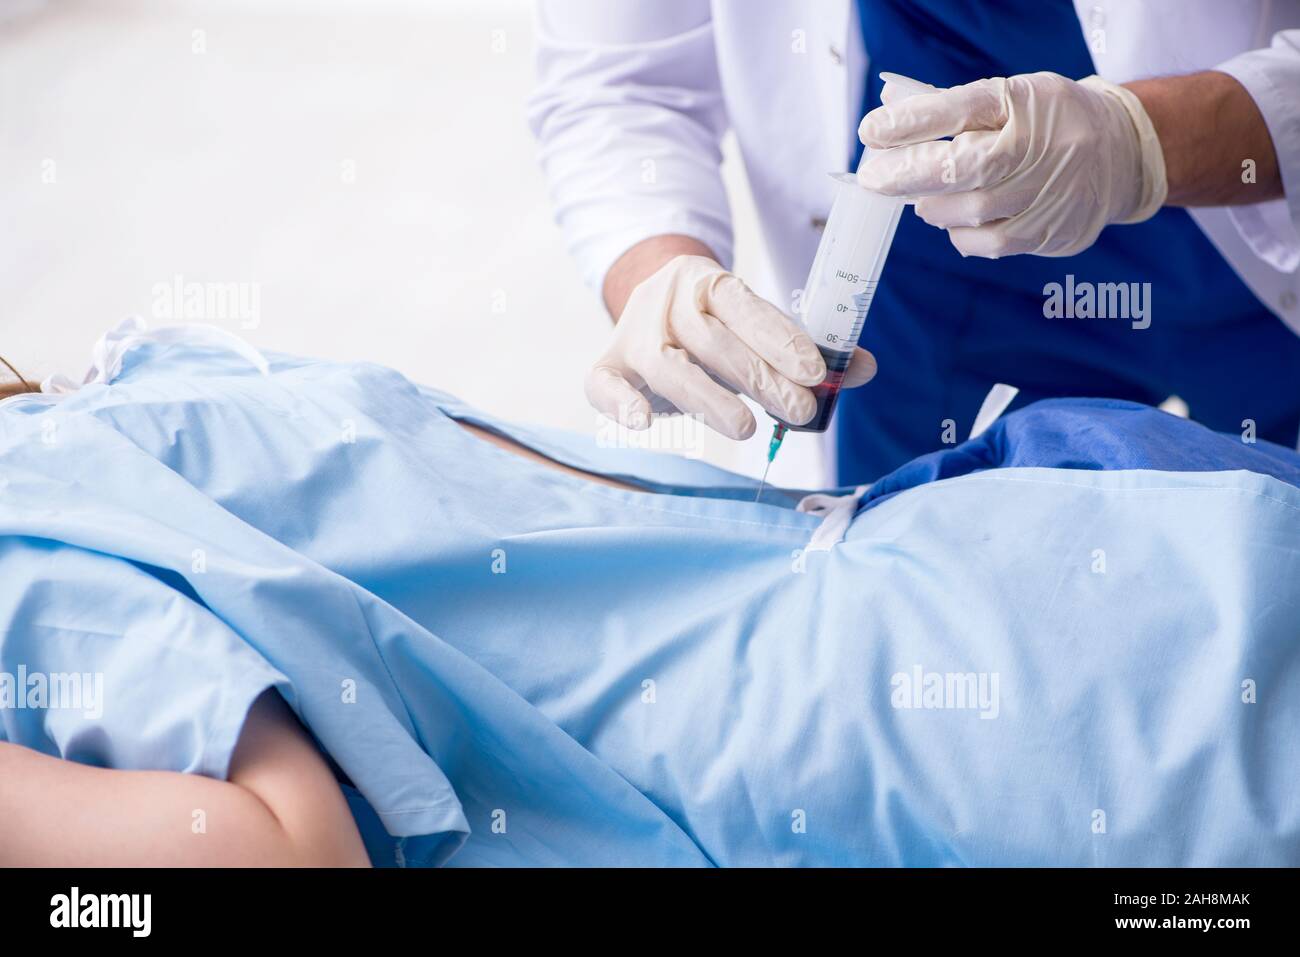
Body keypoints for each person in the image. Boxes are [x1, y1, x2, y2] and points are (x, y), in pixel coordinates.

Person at [3, 322, 1300, 866]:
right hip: (1027, 555)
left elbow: (277, 853)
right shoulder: (123, 410)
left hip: (953, 726)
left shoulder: (34, 512)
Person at [529, 0, 1300, 482]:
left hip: (1254, 208)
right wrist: (664, 277)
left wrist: (1141, 143)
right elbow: (622, 85)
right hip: (941, 259)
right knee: (933, 618)